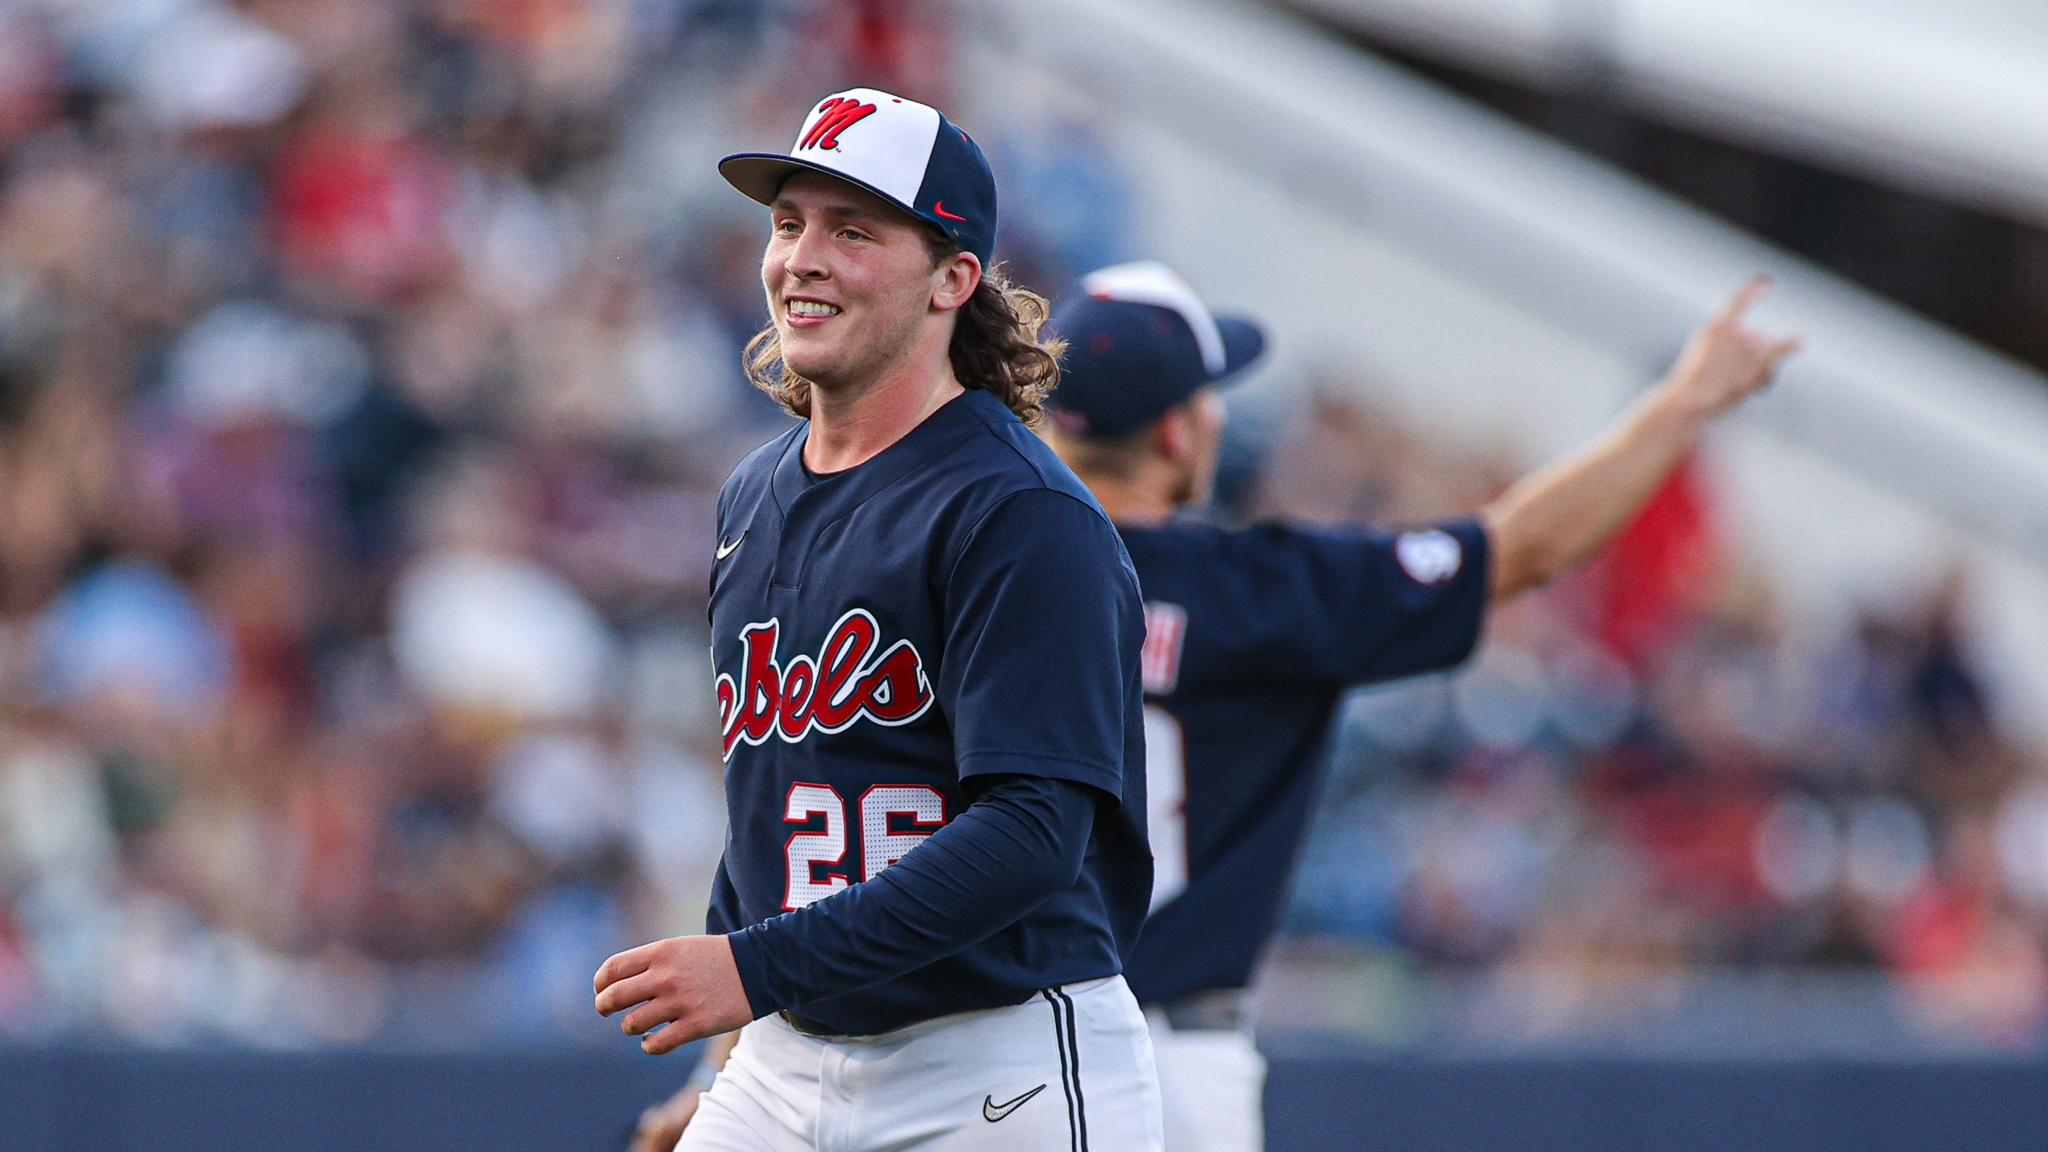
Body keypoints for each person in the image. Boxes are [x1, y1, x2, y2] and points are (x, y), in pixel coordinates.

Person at [1035, 261, 1800, 1152]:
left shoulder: (981, 579)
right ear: (1177, 430)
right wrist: (1682, 406)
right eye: (1210, 397)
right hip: (1181, 1057)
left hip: (1012, 1050)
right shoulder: (1272, 590)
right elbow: (1527, 546)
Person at [594, 90, 1161, 1152]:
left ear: (952, 278)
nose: (801, 257)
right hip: (789, 1052)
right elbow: (774, 807)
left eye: (853, 230)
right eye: (789, 222)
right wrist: (725, 1064)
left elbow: (1035, 832)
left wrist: (751, 971)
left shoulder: (1017, 510)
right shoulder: (751, 498)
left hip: (991, 1062)